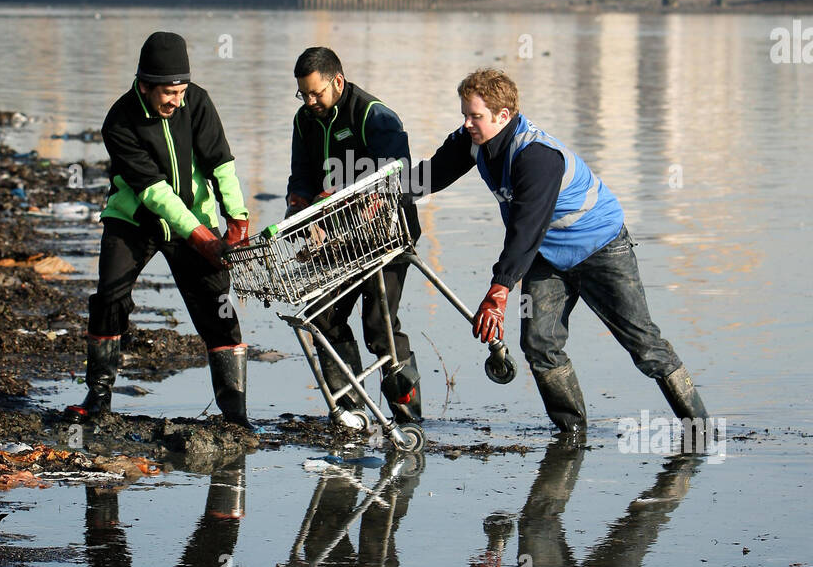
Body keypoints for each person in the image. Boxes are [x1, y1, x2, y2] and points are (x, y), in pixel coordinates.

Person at [410, 67, 707, 442]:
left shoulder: (536, 157)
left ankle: (701, 430)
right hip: (547, 255)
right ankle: (572, 436)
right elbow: (429, 175)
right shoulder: (473, 140)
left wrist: (499, 290)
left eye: (475, 116)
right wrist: (382, 196)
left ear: (504, 116)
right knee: (539, 344)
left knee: (644, 346)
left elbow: (524, 230)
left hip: (600, 249)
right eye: (465, 115)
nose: (467, 123)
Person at [67, 31, 254, 433]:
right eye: (169, 93)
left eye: (181, 90)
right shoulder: (119, 122)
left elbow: (221, 162)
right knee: (109, 298)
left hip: (197, 218)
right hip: (136, 221)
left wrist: (236, 219)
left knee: (219, 308)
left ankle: (235, 413)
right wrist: (201, 238)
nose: (177, 100)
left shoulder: (197, 101)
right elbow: (154, 193)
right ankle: (98, 398)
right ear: (145, 85)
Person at [285, 46, 421, 423]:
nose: (310, 101)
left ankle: (408, 417)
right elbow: (301, 176)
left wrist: (347, 194)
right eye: (304, 93)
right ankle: (351, 410)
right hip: (338, 239)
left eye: (317, 93)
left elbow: (398, 172)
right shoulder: (304, 121)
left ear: (338, 81)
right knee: (321, 314)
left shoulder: (373, 115)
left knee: (379, 329)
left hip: (387, 234)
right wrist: (298, 210)